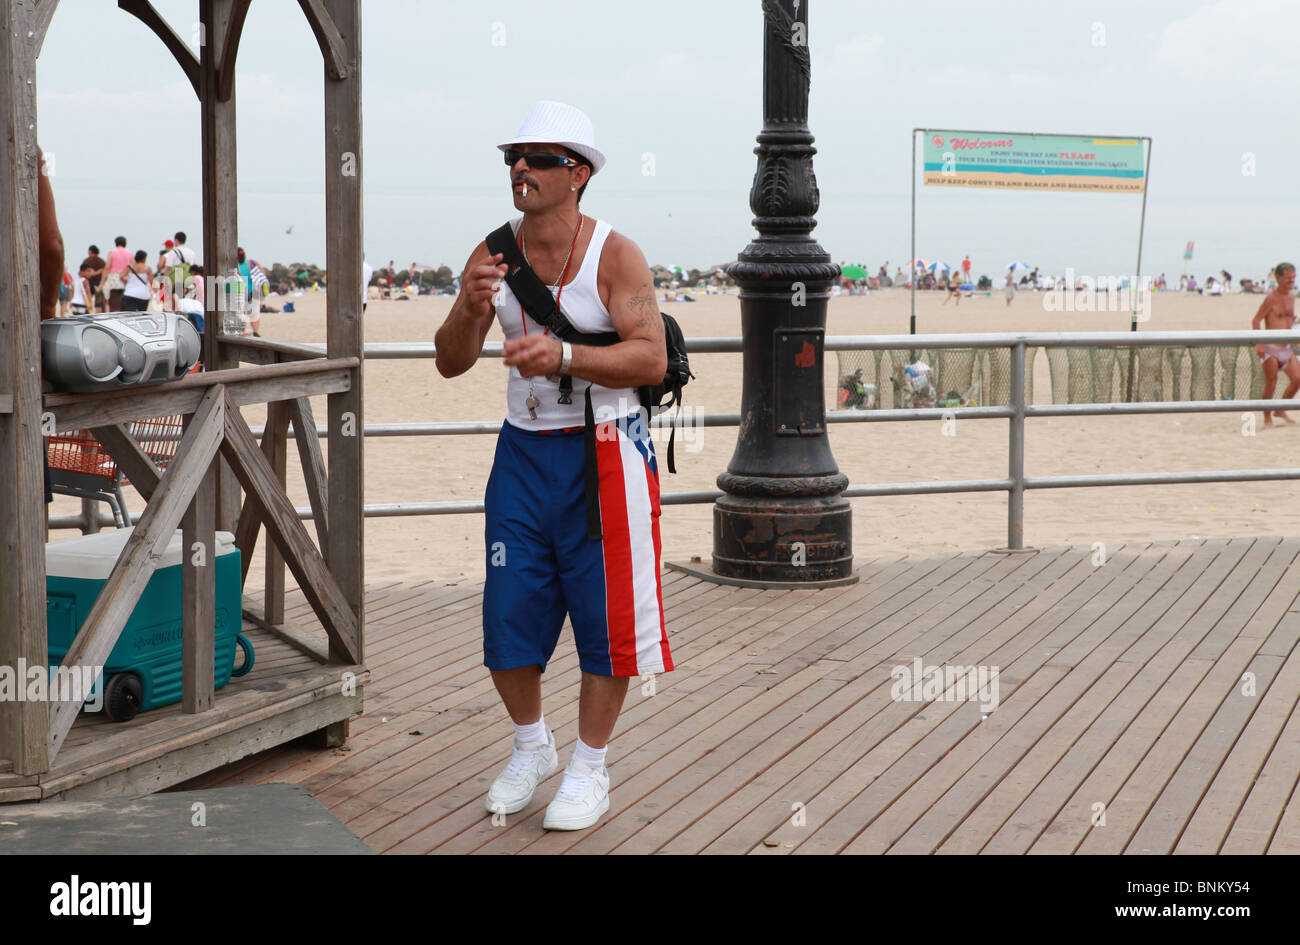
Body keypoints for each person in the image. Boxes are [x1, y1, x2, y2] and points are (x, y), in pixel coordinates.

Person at [433, 100, 671, 832]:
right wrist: (472, 309)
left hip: (605, 450)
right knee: (507, 612)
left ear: (578, 174)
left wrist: (565, 354)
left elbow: (651, 355)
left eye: (538, 158)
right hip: (523, 453)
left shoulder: (616, 254)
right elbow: (448, 360)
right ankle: (531, 745)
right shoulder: (491, 251)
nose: (520, 169)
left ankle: (590, 766)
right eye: (514, 156)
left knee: (607, 620)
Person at [1252, 262, 1299, 427]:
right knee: (1271, 382)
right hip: (1270, 347)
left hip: (1286, 347)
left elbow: (1288, 319)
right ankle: (1267, 418)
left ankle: (1280, 409)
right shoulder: (1271, 298)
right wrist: (1259, 344)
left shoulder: (1292, 297)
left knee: (1298, 379)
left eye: (1293, 277)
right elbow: (1256, 320)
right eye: (1288, 277)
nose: (1291, 280)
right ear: (1278, 278)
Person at [103, 236, 131, 310]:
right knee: (124, 306)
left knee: (114, 305)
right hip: (125, 280)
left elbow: (107, 266)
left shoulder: (112, 252)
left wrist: (103, 280)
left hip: (113, 280)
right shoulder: (129, 253)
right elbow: (132, 266)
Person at [79, 245, 106, 312]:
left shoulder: (86, 260)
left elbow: (81, 272)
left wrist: (92, 274)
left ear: (90, 251)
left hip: (88, 282)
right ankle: (99, 316)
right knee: (98, 301)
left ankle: (88, 312)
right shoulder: (101, 261)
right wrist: (96, 273)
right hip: (98, 283)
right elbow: (104, 270)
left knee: (88, 298)